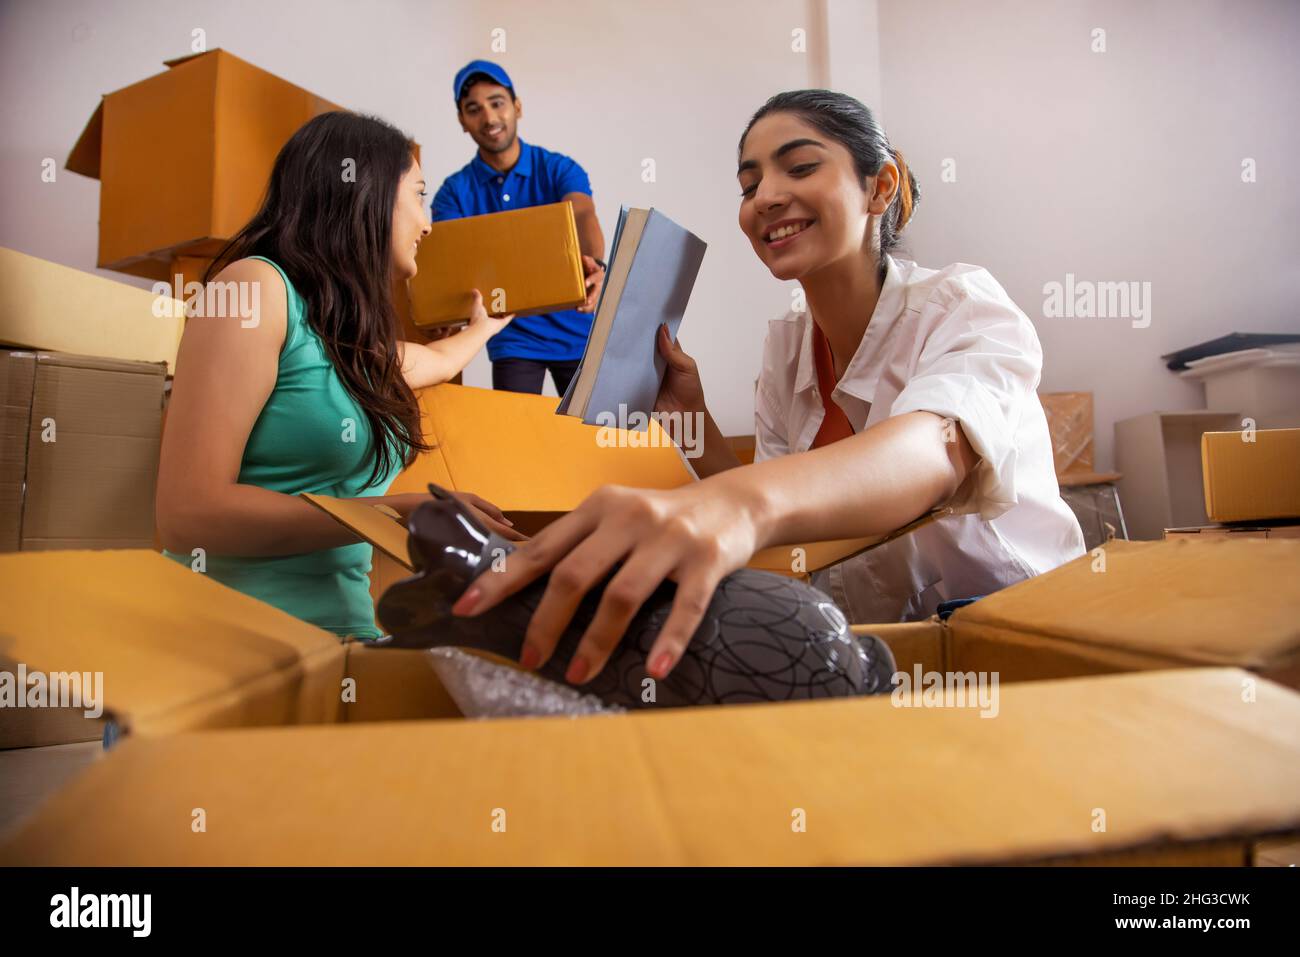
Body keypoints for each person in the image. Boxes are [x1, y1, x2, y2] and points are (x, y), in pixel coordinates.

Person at [451, 89, 1086, 685]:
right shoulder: (786, 348)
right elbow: (796, 530)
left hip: (1020, 650)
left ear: (880, 186)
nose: (766, 198)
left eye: (800, 168)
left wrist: (741, 505)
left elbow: (934, 454)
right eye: (749, 184)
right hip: (887, 657)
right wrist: (687, 418)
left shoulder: (961, 304)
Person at [156, 111, 523, 640]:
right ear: (368, 193)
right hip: (225, 646)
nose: (427, 223)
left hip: (342, 641)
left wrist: (487, 325)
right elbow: (188, 515)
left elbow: (439, 360)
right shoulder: (254, 290)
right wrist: (390, 514)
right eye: (419, 196)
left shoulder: (351, 343)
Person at [431, 59, 606, 396]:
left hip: (578, 328)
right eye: (474, 109)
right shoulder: (453, 191)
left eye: (497, 103)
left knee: (596, 437)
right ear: (462, 121)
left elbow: (583, 216)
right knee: (521, 439)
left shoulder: (558, 168)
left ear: (517, 107)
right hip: (512, 335)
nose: (489, 117)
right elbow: (449, 261)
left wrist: (595, 265)